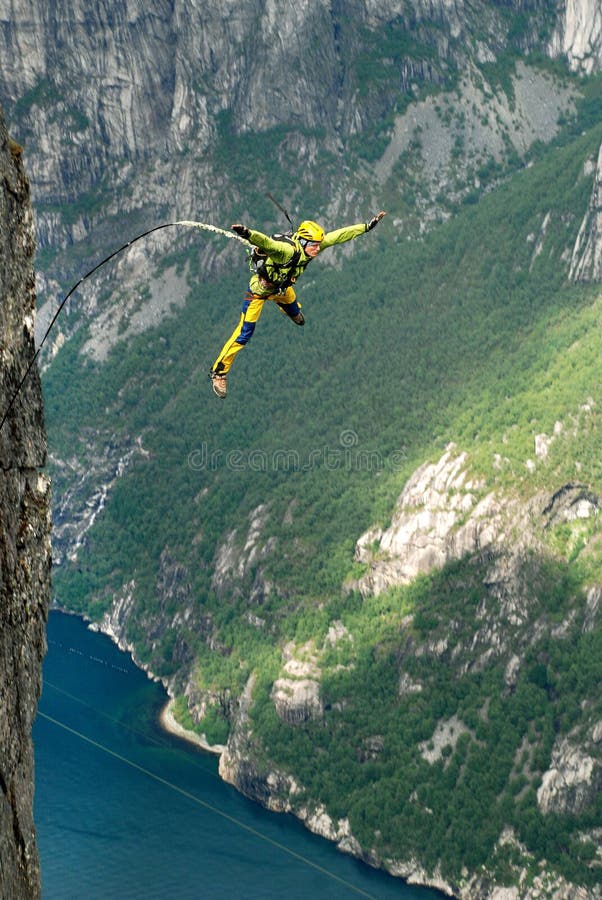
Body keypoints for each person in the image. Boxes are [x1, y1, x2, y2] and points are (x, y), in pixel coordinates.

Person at [209, 212, 386, 397]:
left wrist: (367, 226)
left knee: (296, 314)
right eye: (314, 245)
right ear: (303, 242)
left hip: (283, 289)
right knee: (244, 333)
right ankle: (219, 372)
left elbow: (338, 236)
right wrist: (247, 233)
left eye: (318, 244)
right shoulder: (286, 251)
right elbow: (266, 243)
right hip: (259, 293)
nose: (318, 249)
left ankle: (290, 310)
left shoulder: (311, 247)